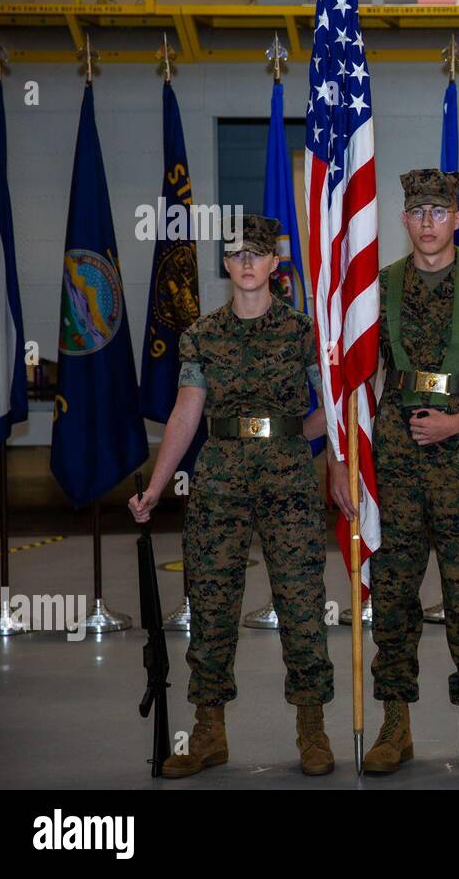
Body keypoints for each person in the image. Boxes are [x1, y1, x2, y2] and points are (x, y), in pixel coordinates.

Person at [128, 213, 334, 778]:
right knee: (213, 605)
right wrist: (155, 485)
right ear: (226, 263)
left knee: (300, 604)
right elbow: (186, 412)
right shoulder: (202, 334)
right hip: (219, 479)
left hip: (289, 478)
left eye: (257, 254)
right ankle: (209, 729)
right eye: (237, 254)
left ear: (274, 264)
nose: (247, 263)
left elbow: (333, 407)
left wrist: (308, 441)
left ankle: (312, 728)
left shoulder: (301, 331)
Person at [329, 168, 459, 774]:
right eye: (418, 212)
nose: (429, 222)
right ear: (403, 221)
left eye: (441, 211)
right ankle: (394, 725)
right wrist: (342, 459)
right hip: (397, 467)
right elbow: (350, 382)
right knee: (397, 598)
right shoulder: (378, 290)